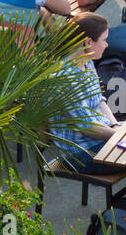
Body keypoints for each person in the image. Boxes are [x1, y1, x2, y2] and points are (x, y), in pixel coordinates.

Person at [50, 13, 121, 174]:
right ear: (88, 42)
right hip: (80, 154)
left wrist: (115, 126)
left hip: (100, 135)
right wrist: (119, 136)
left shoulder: (86, 61)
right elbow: (87, 128)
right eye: (104, 40)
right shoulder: (66, 78)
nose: (107, 45)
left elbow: (99, 100)